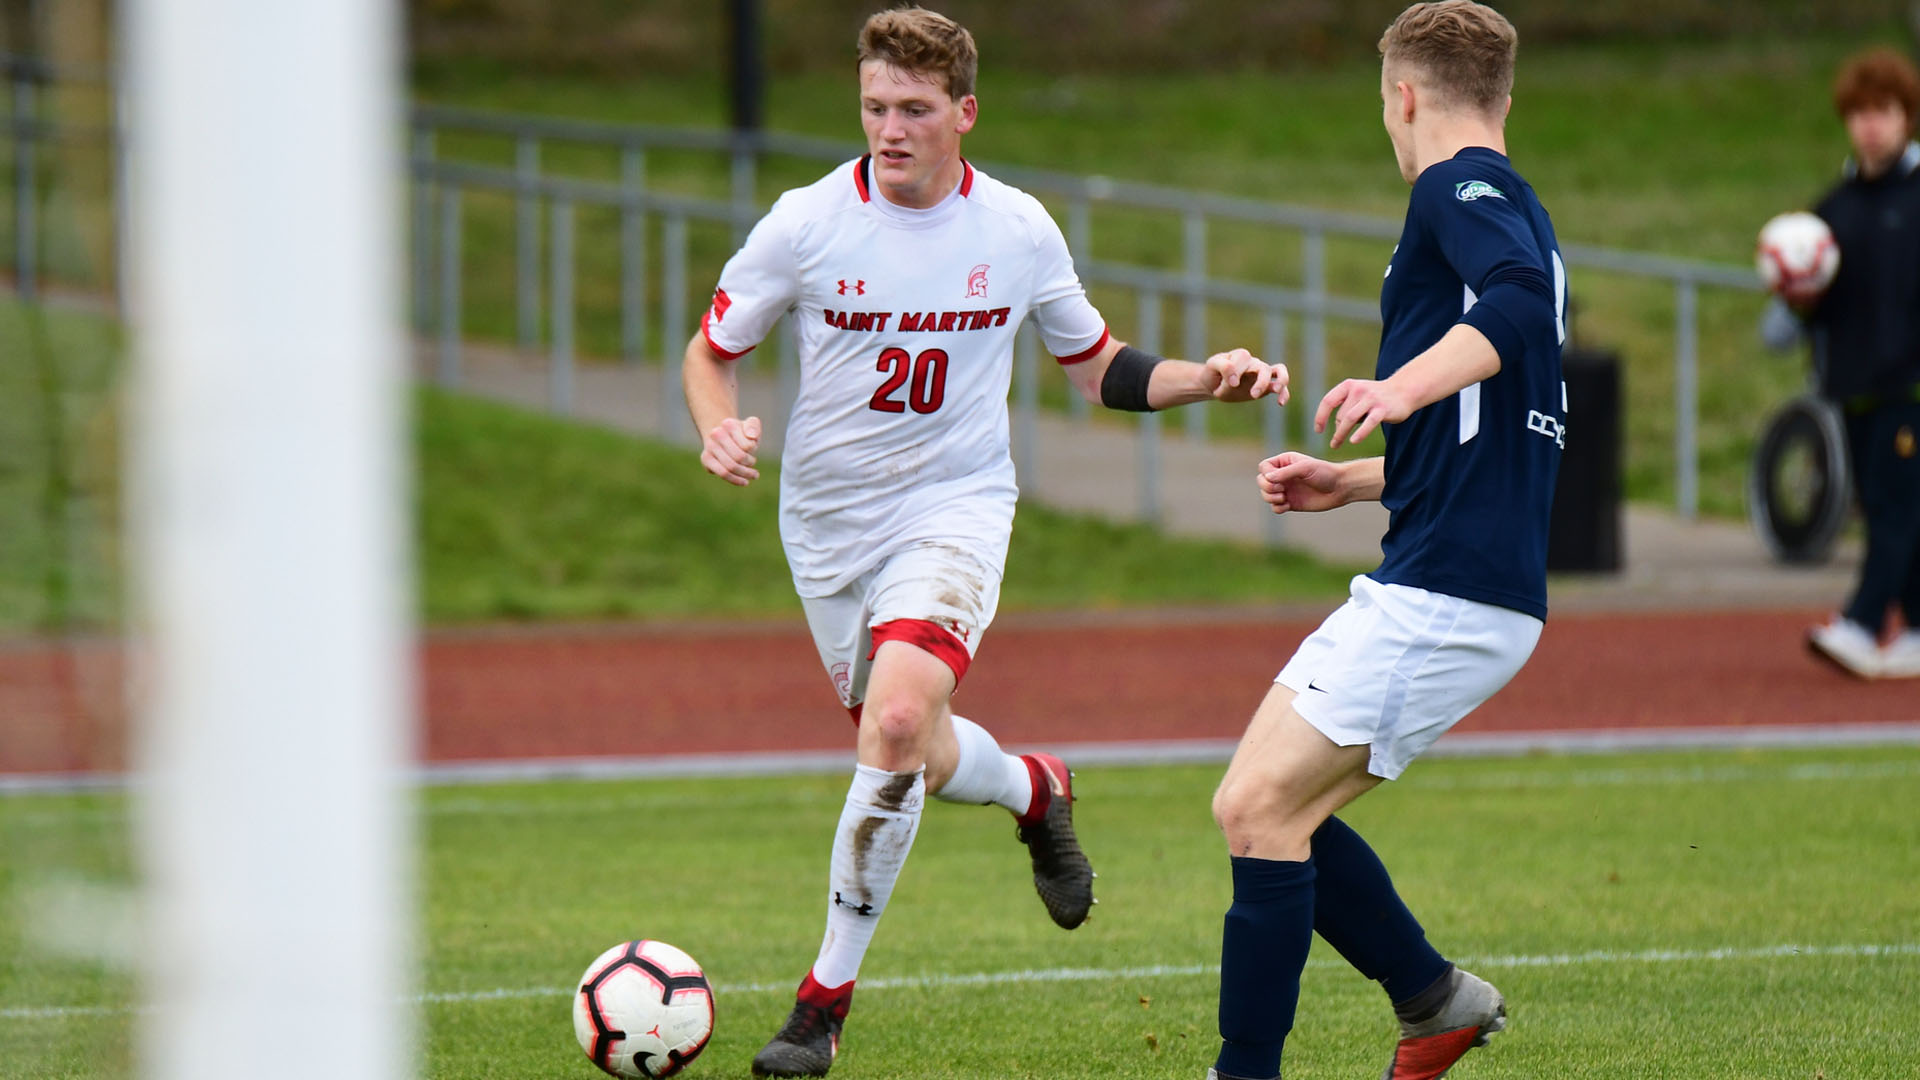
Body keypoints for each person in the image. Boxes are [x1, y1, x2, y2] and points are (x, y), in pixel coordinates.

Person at [681, 8, 1287, 1076]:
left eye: (914, 109)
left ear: (965, 112)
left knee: (897, 719)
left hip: (955, 507)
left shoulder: (1016, 230)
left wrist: (1205, 377)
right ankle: (1034, 789)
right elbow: (710, 349)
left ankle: (821, 1007)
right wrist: (715, 425)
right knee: (909, 748)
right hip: (827, 525)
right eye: (875, 107)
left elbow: (1098, 368)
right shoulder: (805, 224)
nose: (890, 129)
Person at [1207, 4, 1564, 1078]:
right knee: (1270, 807)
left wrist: (1395, 389)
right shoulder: (1521, 209)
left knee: (1260, 809)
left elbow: (1515, 308)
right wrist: (1362, 481)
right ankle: (1432, 999)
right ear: (1506, 97)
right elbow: (1505, 430)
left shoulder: (1456, 190)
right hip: (1446, 569)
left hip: (1452, 588)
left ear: (1403, 97)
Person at [1769, 46, 1920, 680]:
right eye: (1859, 114)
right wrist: (1797, 302)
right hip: (1854, 388)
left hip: (1910, 389)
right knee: (1891, 508)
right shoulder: (1833, 211)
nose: (1871, 126)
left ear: (1907, 115)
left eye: (1883, 111)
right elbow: (1802, 317)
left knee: (1895, 510)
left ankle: (1861, 623)